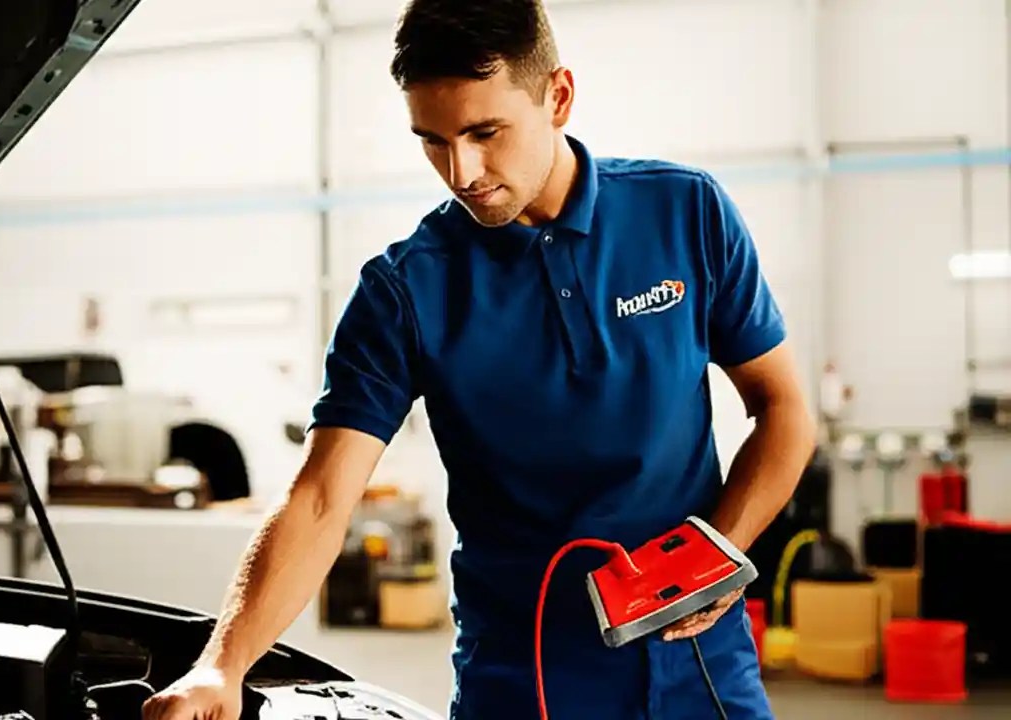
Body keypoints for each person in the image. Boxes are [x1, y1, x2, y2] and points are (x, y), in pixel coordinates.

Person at [143, 0, 816, 718]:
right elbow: (320, 497)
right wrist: (223, 664)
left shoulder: (685, 212)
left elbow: (782, 409)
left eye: (484, 132)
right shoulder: (405, 291)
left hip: (701, 660)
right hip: (524, 674)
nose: (461, 171)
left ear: (557, 96)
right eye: (432, 140)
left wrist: (717, 553)